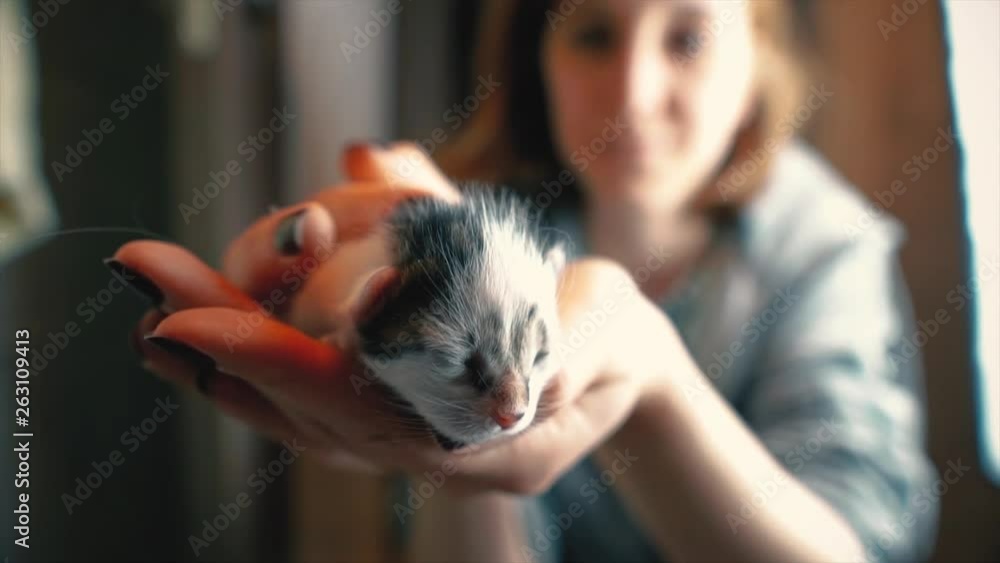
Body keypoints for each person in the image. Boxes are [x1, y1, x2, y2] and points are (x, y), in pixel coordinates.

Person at [111, 0, 940, 561]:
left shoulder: (826, 249)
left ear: (758, 55)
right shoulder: (487, 229)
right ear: (534, 55)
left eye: (686, 36)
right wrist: (445, 450)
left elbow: (856, 542)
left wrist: (651, 381)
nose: (635, 96)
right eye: (591, 34)